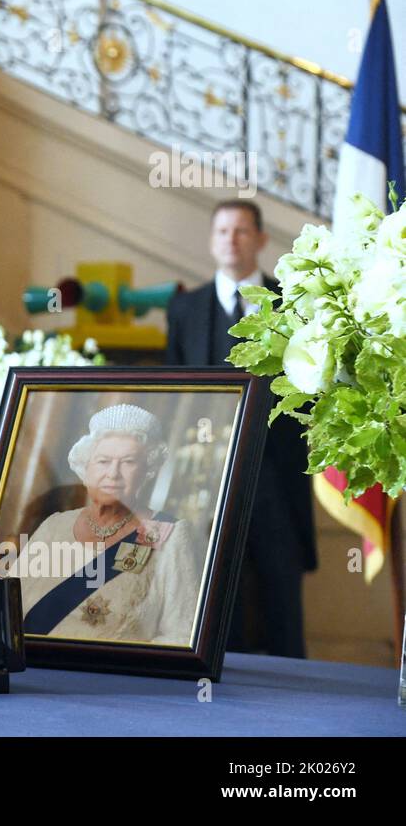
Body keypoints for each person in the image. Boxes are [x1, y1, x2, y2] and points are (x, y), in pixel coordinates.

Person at [164, 200, 315, 658]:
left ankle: (293, 698)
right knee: (210, 594)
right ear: (212, 240)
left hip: (276, 474)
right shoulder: (184, 309)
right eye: (223, 231)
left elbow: (309, 387)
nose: (231, 239)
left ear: (261, 240)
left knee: (279, 591)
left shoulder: (295, 305)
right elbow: (172, 393)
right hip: (203, 479)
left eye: (242, 231)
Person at [9, 405, 203, 646]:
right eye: (103, 461)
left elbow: (183, 634)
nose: (113, 473)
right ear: (86, 468)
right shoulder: (54, 525)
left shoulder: (169, 534)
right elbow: (8, 607)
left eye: (128, 462)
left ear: (148, 471)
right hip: (35, 668)